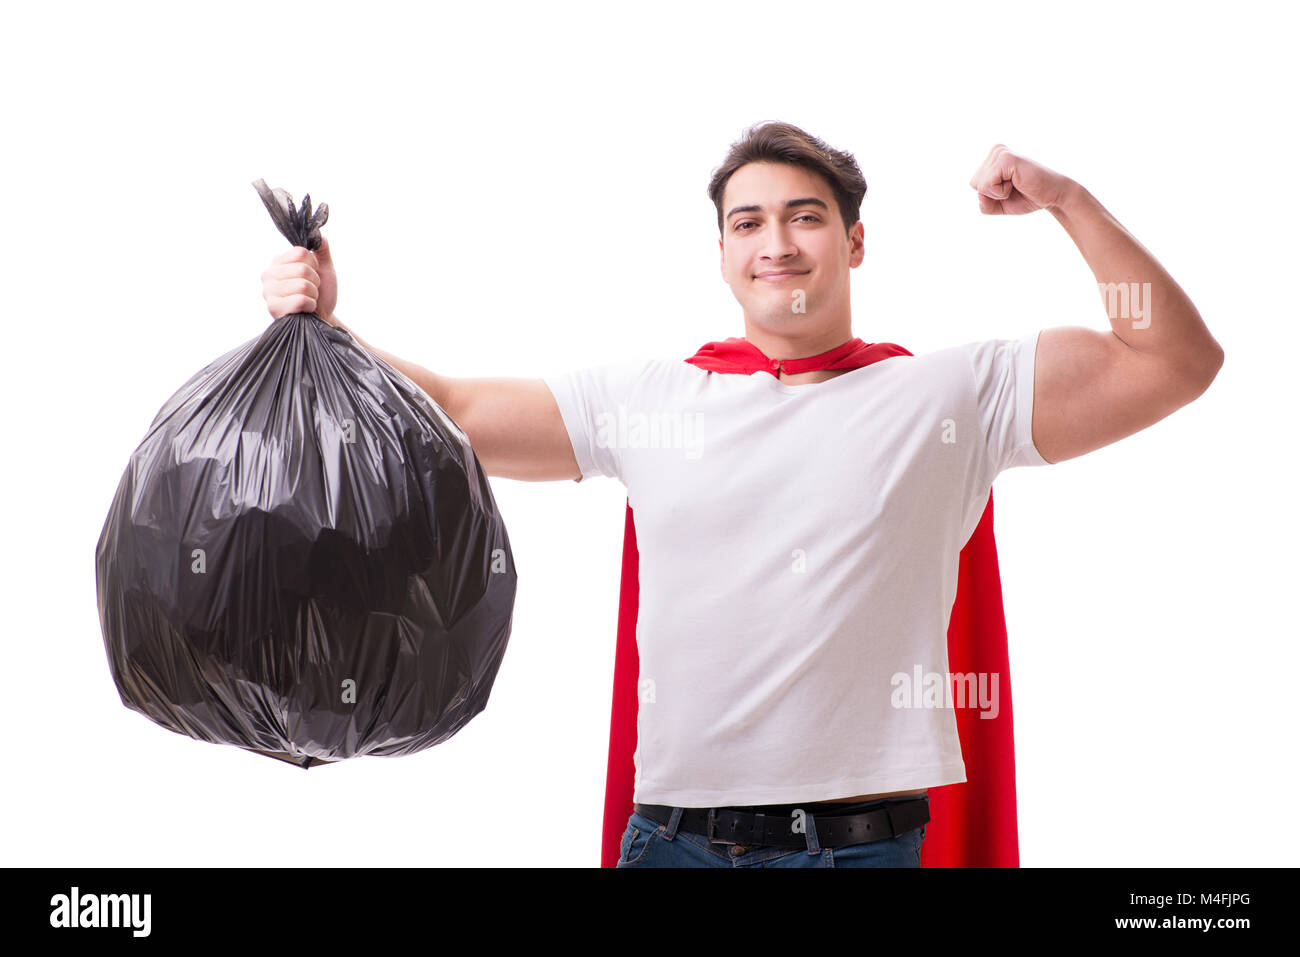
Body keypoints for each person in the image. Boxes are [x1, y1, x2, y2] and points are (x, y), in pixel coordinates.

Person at [259, 122, 1224, 867]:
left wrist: (1069, 199)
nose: (777, 242)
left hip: (867, 846)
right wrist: (333, 327)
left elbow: (1175, 359)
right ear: (723, 253)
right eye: (747, 222)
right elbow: (457, 410)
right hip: (676, 840)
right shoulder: (651, 401)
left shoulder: (952, 396)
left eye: (804, 216)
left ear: (854, 241)